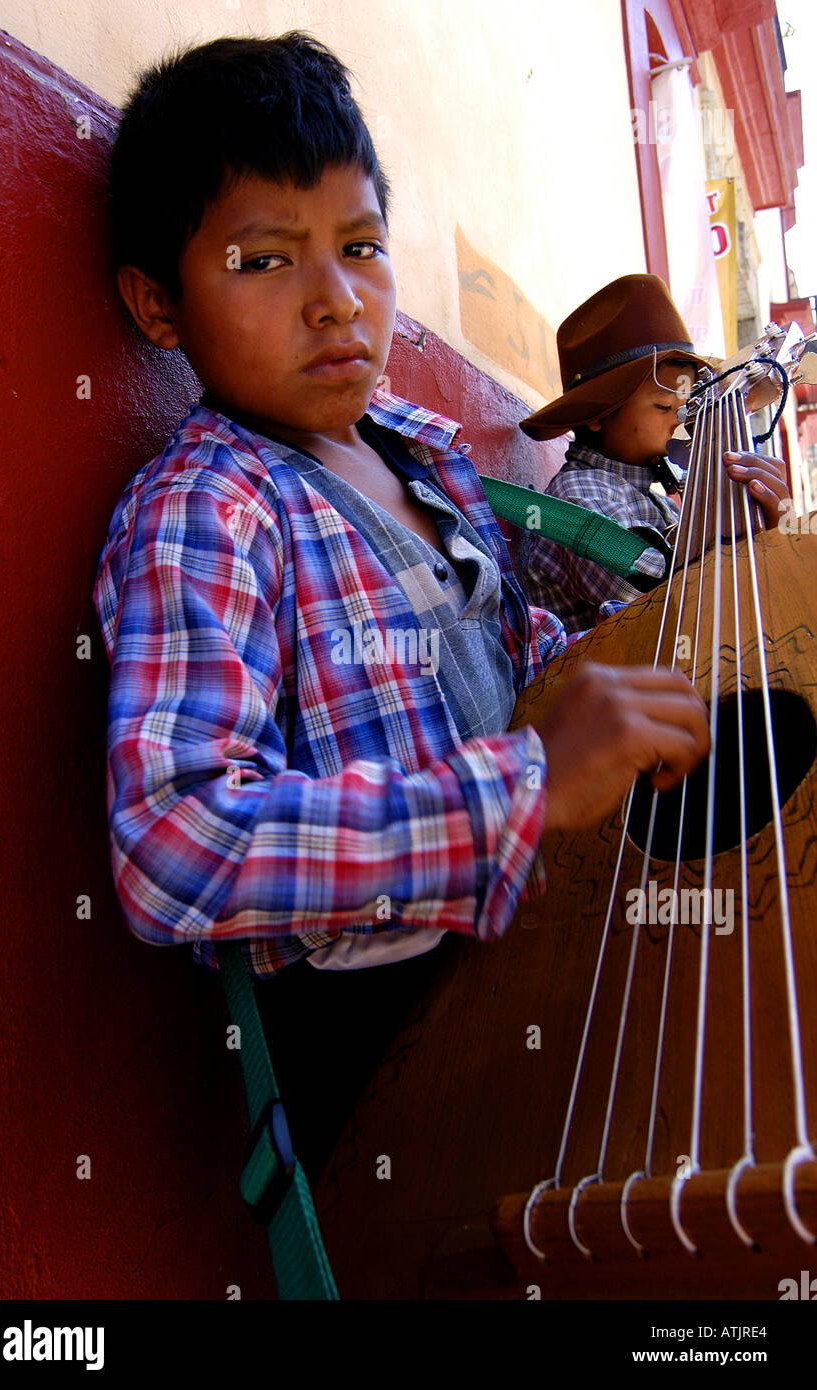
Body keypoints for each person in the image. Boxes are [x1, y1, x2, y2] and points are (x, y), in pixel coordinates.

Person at [93, 35, 709, 1181]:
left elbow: (519, 648)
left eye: (361, 247)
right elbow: (173, 846)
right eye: (264, 260)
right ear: (159, 304)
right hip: (397, 1072)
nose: (336, 302)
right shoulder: (212, 509)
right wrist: (523, 783)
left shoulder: (417, 449)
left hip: (546, 967)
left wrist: (649, 671)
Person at [516, 274, 789, 634]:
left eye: (685, 404)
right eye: (663, 406)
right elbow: (658, 599)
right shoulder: (578, 494)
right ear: (599, 414)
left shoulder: (659, 503)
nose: (680, 418)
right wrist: (720, 507)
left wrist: (769, 526)